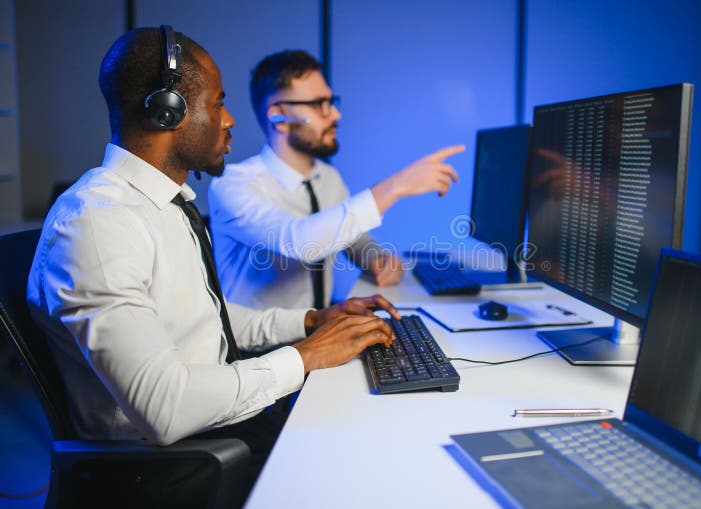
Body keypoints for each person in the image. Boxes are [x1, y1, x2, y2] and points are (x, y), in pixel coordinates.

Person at [26, 26, 398, 506]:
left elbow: (205, 320)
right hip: (174, 464)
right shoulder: (99, 223)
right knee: (369, 465)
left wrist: (310, 322)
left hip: (213, 425)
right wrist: (306, 356)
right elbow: (164, 406)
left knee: (371, 426)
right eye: (218, 103)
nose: (230, 120)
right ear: (170, 111)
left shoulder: (162, 205)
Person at [207, 50, 464, 311]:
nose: (335, 115)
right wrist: (395, 187)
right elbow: (299, 242)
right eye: (319, 105)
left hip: (322, 334)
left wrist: (377, 258)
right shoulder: (232, 185)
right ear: (278, 117)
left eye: (331, 102)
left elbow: (351, 238)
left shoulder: (328, 178)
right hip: (263, 350)